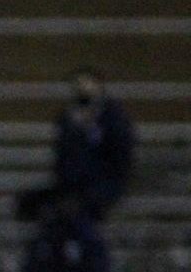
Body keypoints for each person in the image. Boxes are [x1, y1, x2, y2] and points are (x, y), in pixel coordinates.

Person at [16, 68, 135, 222]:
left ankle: (90, 243)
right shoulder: (68, 116)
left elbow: (119, 154)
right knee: (31, 203)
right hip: (72, 184)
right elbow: (63, 152)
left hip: (102, 183)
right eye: (77, 84)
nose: (81, 87)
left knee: (76, 213)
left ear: (98, 86)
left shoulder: (112, 116)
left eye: (86, 83)